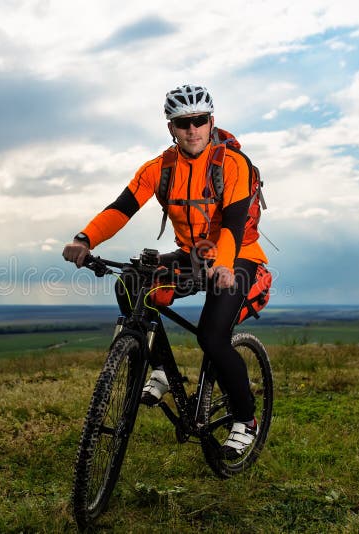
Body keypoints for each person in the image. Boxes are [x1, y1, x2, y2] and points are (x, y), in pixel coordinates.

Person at [62, 84, 268, 459]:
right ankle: (157, 368)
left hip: (238, 255)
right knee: (131, 284)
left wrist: (222, 264)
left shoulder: (232, 164)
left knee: (212, 337)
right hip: (193, 254)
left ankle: (246, 419)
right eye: (183, 123)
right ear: (171, 127)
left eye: (199, 121)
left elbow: (234, 225)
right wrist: (84, 238)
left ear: (211, 122)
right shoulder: (160, 169)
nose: (192, 130)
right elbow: (121, 208)